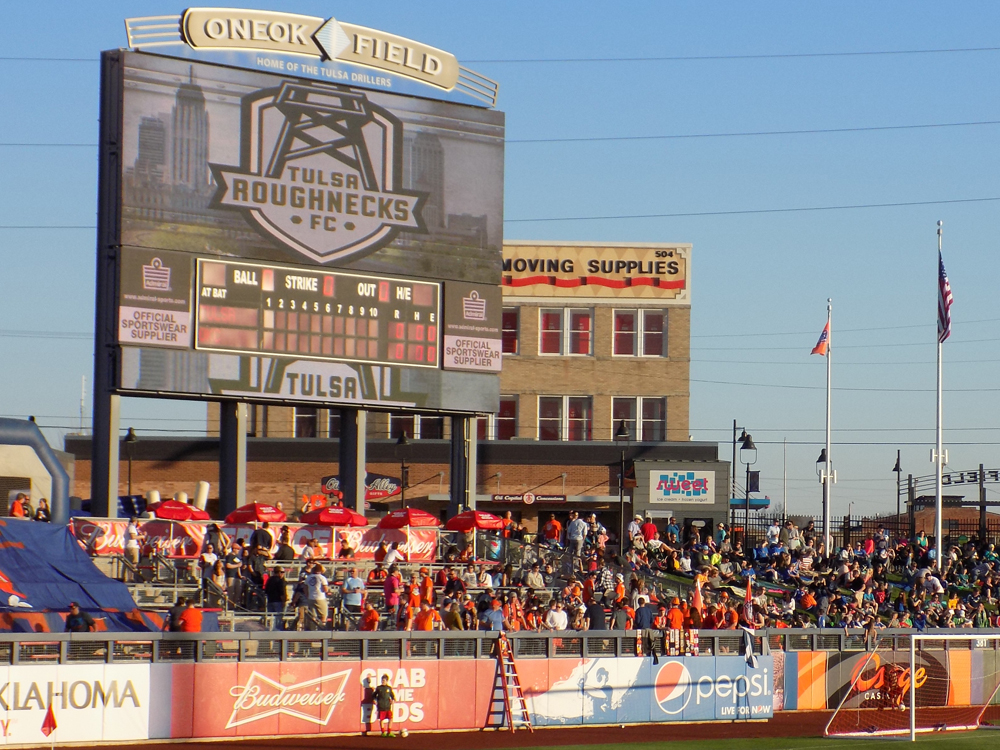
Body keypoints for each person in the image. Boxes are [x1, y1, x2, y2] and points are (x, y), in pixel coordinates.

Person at [305, 563, 329, 630]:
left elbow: (305, 588)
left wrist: (307, 595)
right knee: (323, 615)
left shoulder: (309, 577)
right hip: (320, 598)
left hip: (311, 597)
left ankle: (312, 630)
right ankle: (322, 628)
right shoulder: (322, 578)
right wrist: (328, 592)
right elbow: (325, 589)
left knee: (313, 615)